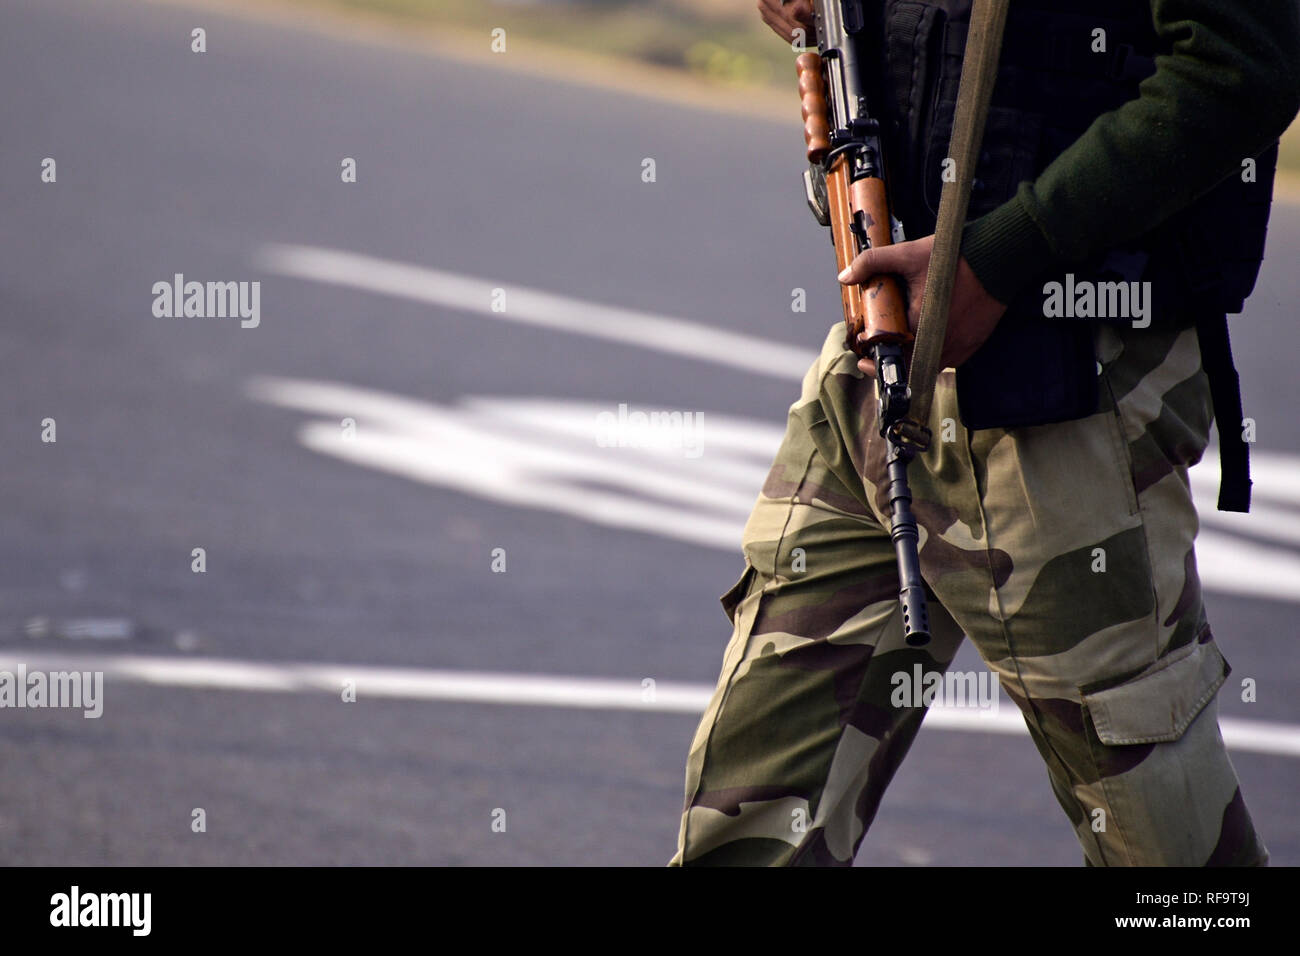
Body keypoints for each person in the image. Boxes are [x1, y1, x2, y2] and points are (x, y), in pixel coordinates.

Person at [670, 0, 1300, 866]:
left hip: (1071, 393)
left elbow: (1238, 71)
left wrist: (998, 258)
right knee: (747, 831)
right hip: (883, 345)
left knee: (1170, 869)